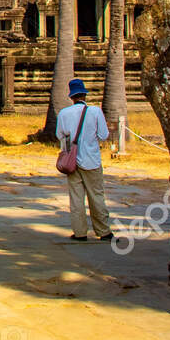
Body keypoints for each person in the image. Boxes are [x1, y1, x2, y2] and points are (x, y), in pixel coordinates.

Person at [55, 78, 112, 241]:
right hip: (92, 159)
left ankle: (80, 232)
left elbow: (60, 135)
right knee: (96, 196)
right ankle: (103, 230)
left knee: (76, 198)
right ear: (84, 95)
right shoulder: (95, 112)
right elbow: (103, 135)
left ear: (71, 97)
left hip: (71, 162)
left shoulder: (64, 113)